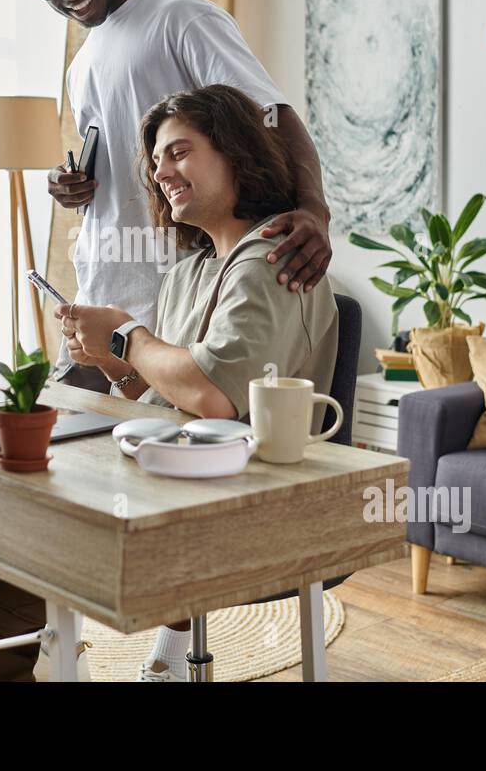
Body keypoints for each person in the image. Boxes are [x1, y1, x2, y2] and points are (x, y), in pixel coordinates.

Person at [55, 84, 339, 679]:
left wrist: (126, 333)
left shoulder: (275, 257)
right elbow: (170, 397)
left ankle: (55, 655)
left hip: (246, 498)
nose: (162, 172)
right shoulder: (190, 272)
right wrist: (113, 363)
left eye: (179, 152)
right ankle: (51, 653)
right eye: (157, 161)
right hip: (180, 475)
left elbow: (213, 394)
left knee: (38, 525)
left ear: (235, 153)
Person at [11, 0, 334, 391]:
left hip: (172, 299)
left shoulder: (179, 17)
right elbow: (120, 164)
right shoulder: (82, 64)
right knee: (51, 445)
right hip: (105, 291)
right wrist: (71, 183)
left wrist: (314, 209)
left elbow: (272, 115)